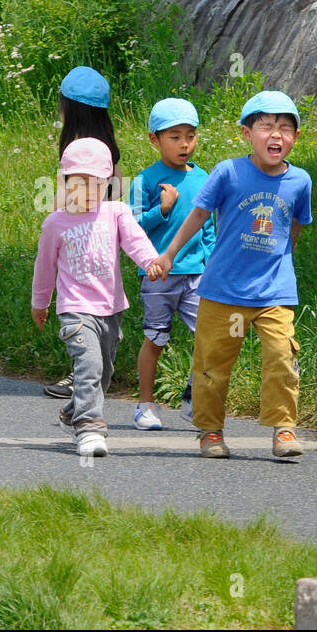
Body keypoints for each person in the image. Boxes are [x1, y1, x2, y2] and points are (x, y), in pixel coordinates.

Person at [149, 90, 313, 459]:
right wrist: (169, 254)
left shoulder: (300, 181)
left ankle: (284, 429)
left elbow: (294, 229)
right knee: (212, 366)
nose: (276, 136)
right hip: (224, 290)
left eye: (285, 128)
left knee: (281, 357)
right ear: (245, 133)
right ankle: (210, 431)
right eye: (266, 127)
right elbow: (198, 214)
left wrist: (281, 264)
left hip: (275, 291)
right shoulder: (229, 172)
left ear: (296, 138)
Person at [32, 138, 160, 457]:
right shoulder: (56, 223)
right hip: (75, 310)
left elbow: (136, 243)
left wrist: (151, 262)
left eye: (96, 184)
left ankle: (73, 411)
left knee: (104, 373)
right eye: (79, 183)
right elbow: (44, 268)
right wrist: (40, 303)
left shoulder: (115, 213)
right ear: (64, 182)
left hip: (111, 308)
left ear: (107, 184)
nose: (88, 191)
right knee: (88, 364)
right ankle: (89, 428)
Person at [129, 97, 215, 429]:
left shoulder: (204, 176)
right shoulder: (144, 180)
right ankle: (146, 405)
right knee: (156, 339)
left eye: (190, 135)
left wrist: (212, 263)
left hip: (198, 275)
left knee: (208, 338)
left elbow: (208, 225)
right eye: (175, 136)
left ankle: (195, 397)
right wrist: (161, 210)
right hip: (158, 277)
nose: (184, 144)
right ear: (155, 139)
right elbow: (132, 227)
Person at [44, 66, 122, 400]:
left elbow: (63, 204)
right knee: (104, 306)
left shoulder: (75, 150)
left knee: (79, 308)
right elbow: (118, 194)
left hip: (76, 241)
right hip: (105, 240)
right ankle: (98, 368)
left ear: (69, 107)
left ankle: (83, 375)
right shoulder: (108, 148)